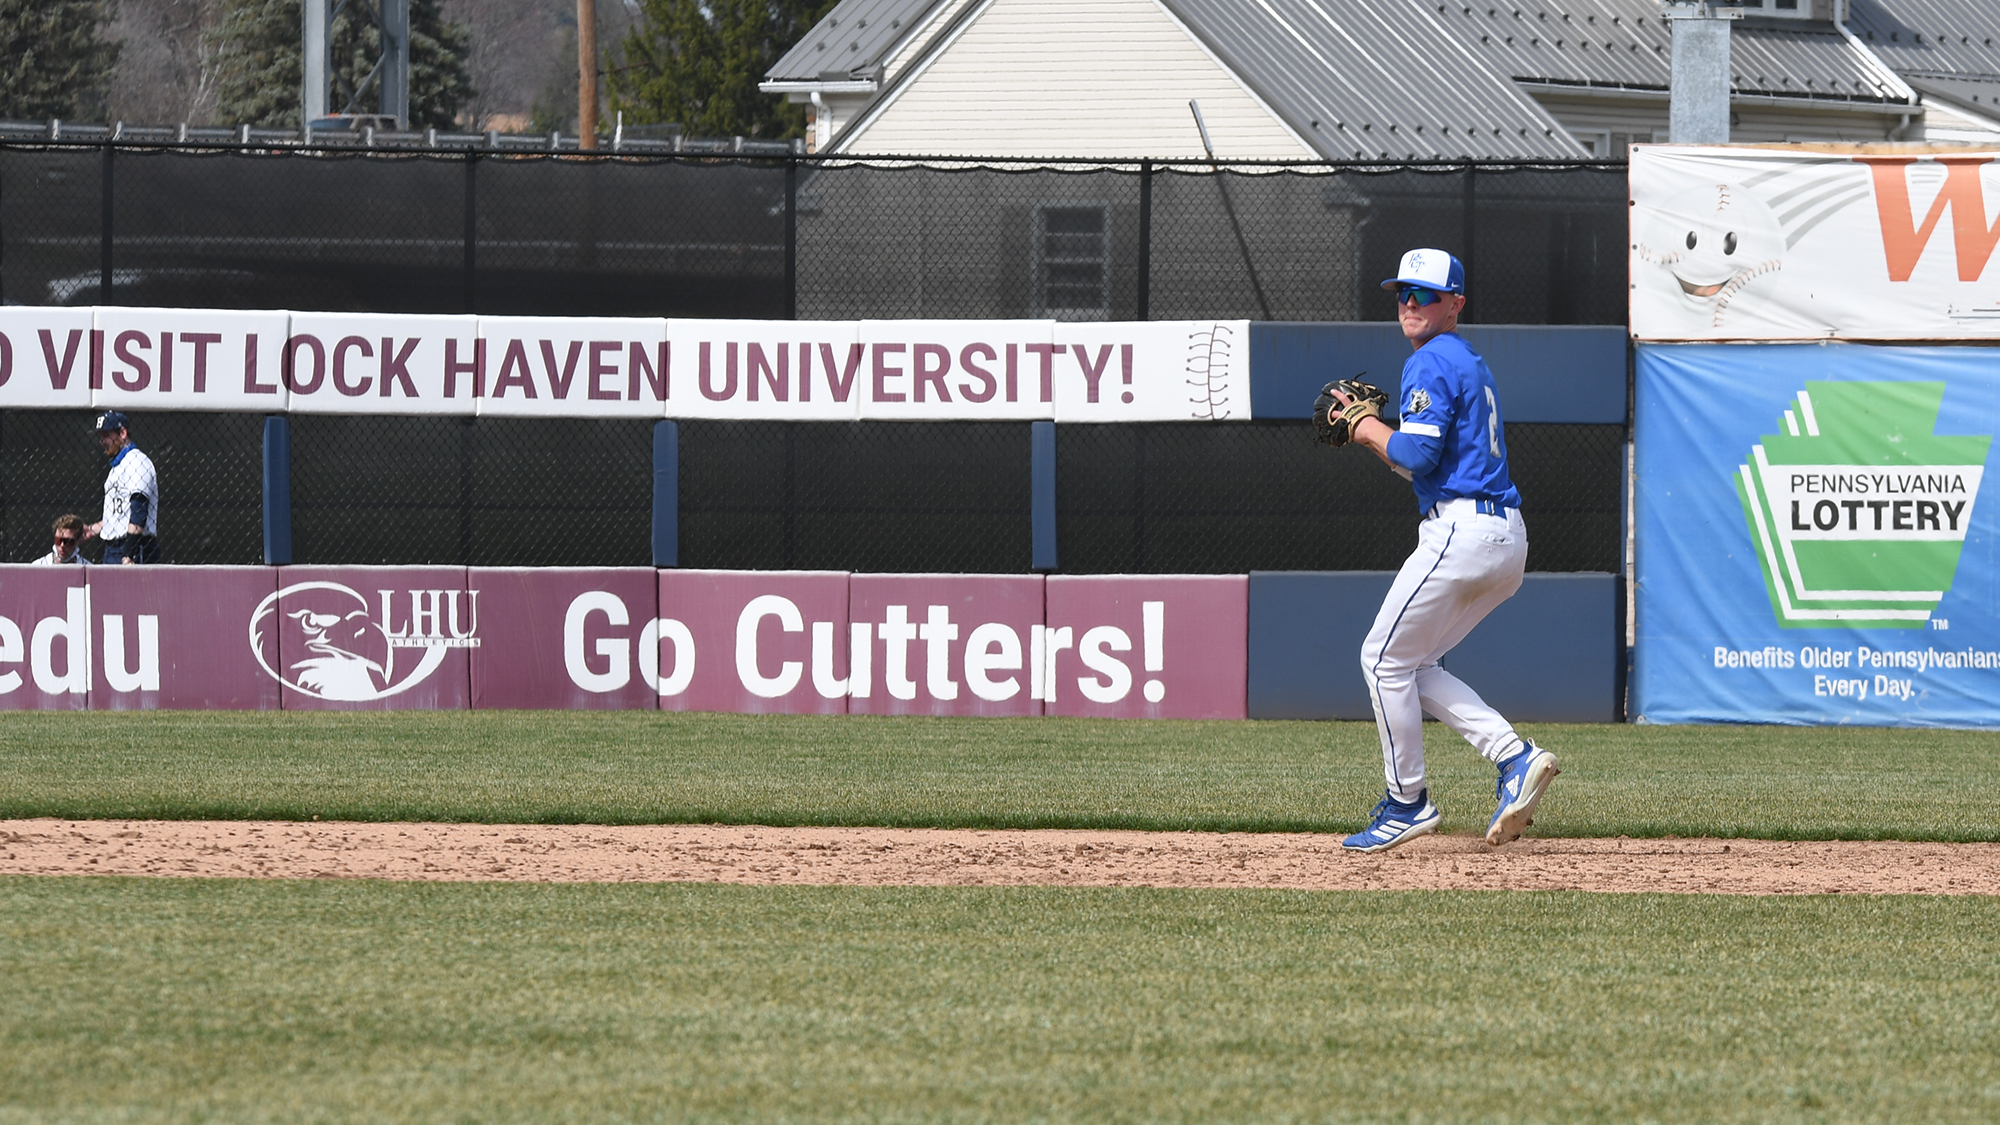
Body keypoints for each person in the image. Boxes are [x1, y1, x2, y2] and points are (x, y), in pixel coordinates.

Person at [1332, 248, 1559, 853]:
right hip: (1503, 536)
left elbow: (1415, 457)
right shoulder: (1466, 362)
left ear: (1455, 304)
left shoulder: (1432, 360)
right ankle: (1514, 758)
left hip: (1460, 532)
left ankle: (1407, 802)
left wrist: (1365, 427)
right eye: (1403, 293)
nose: (1410, 304)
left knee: (1381, 661)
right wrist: (1380, 437)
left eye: (1424, 295)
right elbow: (1421, 466)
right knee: (1414, 664)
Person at [84, 411, 161, 565]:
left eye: (106, 435)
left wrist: (128, 552)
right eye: (100, 436)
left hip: (136, 547)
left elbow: (139, 509)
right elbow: (120, 515)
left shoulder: (137, 462)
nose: (102, 441)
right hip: (113, 548)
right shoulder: (117, 467)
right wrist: (92, 529)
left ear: (123, 433)